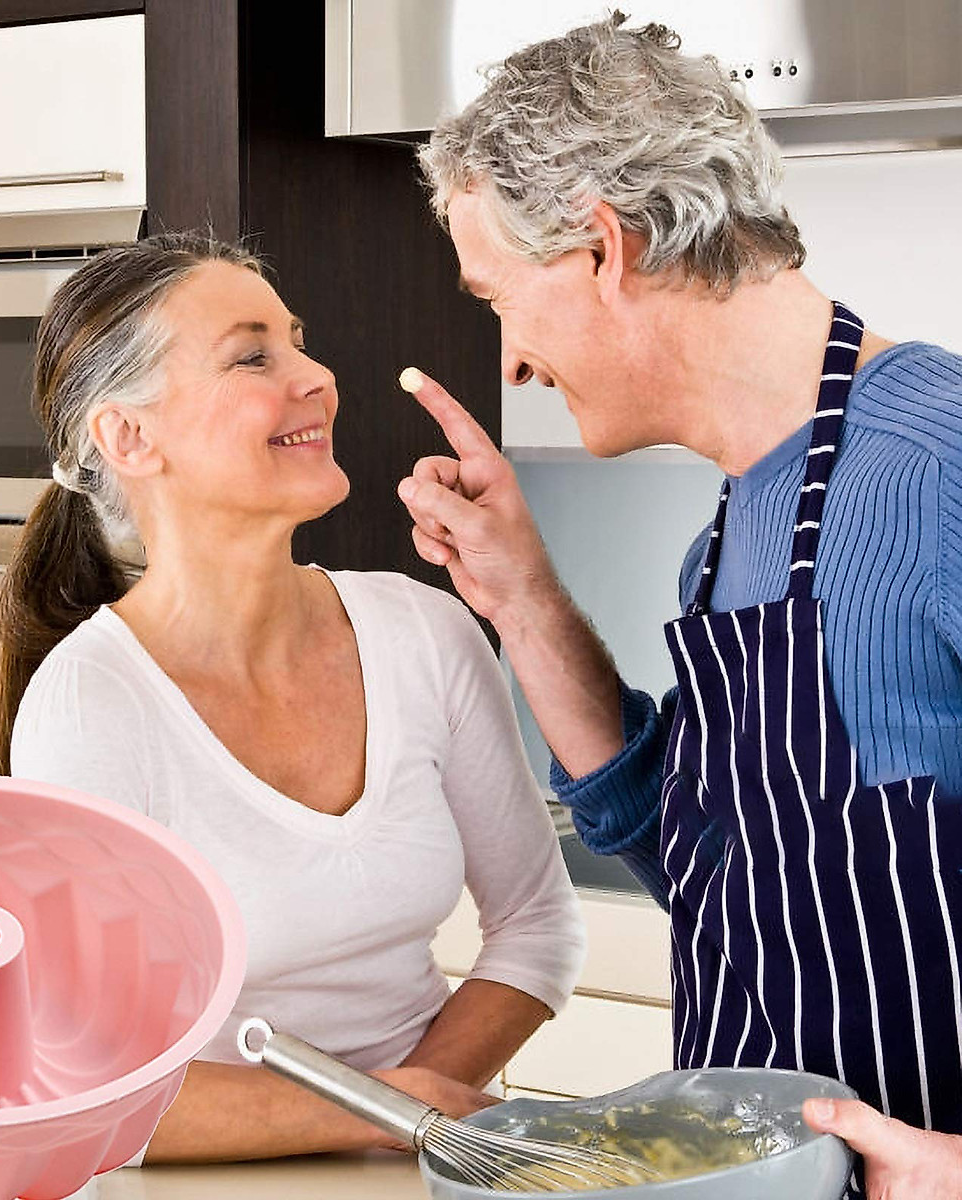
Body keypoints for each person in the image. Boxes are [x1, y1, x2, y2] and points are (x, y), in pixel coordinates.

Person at [396, 13, 962, 1200]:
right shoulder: (725, 536)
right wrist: (523, 597)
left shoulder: (943, 471)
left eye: (500, 297)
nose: (510, 362)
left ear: (605, 247)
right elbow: (720, 877)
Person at [0, 232, 584, 1165]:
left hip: (429, 1170)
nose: (317, 375)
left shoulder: (424, 633)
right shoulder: (90, 705)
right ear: (130, 437)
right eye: (254, 354)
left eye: (297, 340)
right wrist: (385, 1109)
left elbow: (538, 927)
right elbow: (83, 1085)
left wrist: (419, 1114)